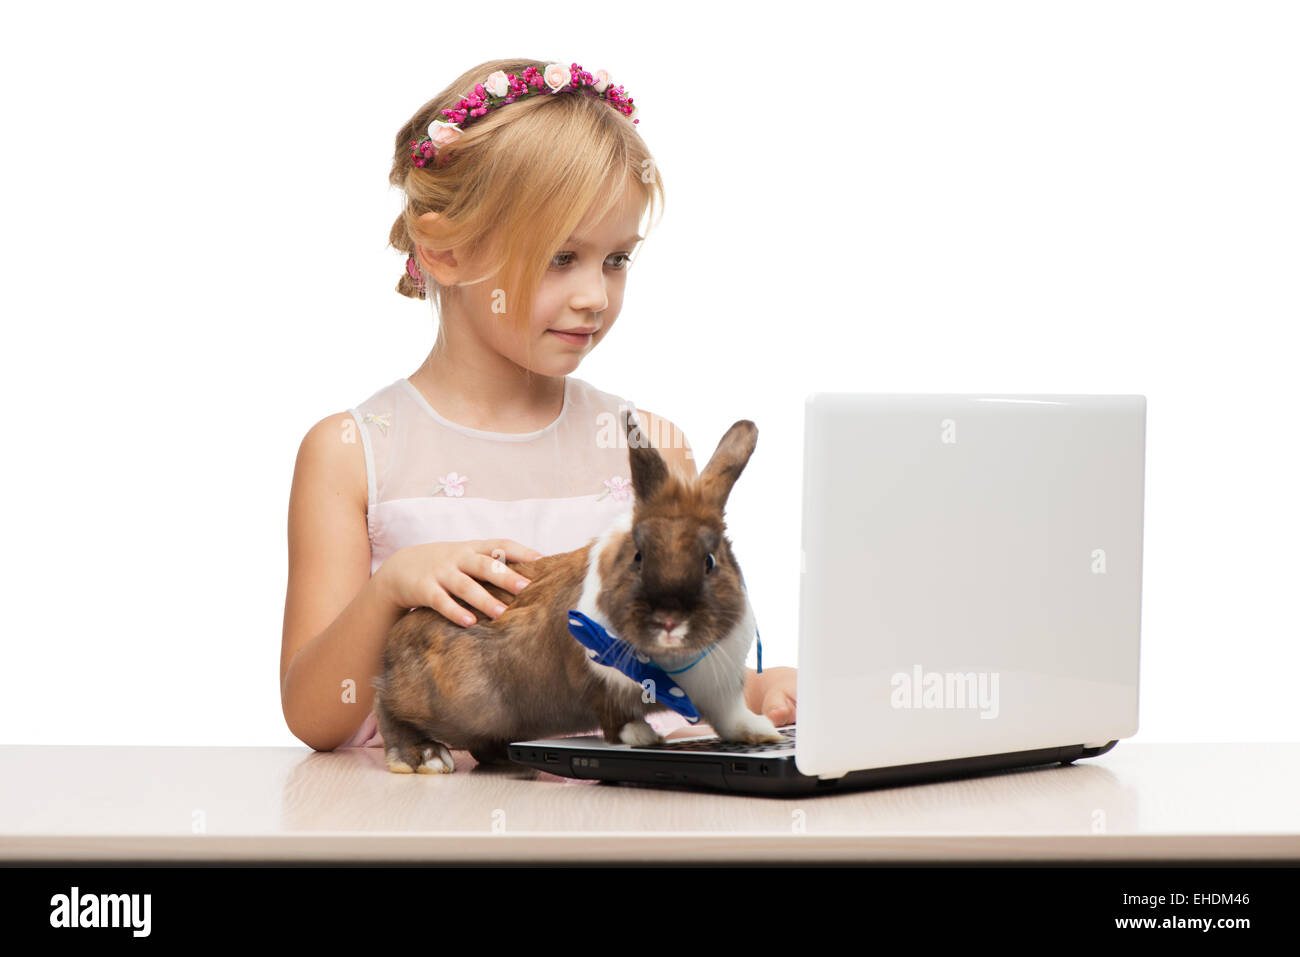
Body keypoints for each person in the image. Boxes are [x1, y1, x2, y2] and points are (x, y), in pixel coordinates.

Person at [280, 59, 796, 755]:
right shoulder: (353, 453)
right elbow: (317, 716)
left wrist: (759, 692)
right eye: (563, 257)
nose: (596, 295)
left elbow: (683, 659)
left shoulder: (651, 447)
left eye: (617, 259)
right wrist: (388, 591)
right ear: (443, 250)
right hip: (430, 828)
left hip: (629, 817)